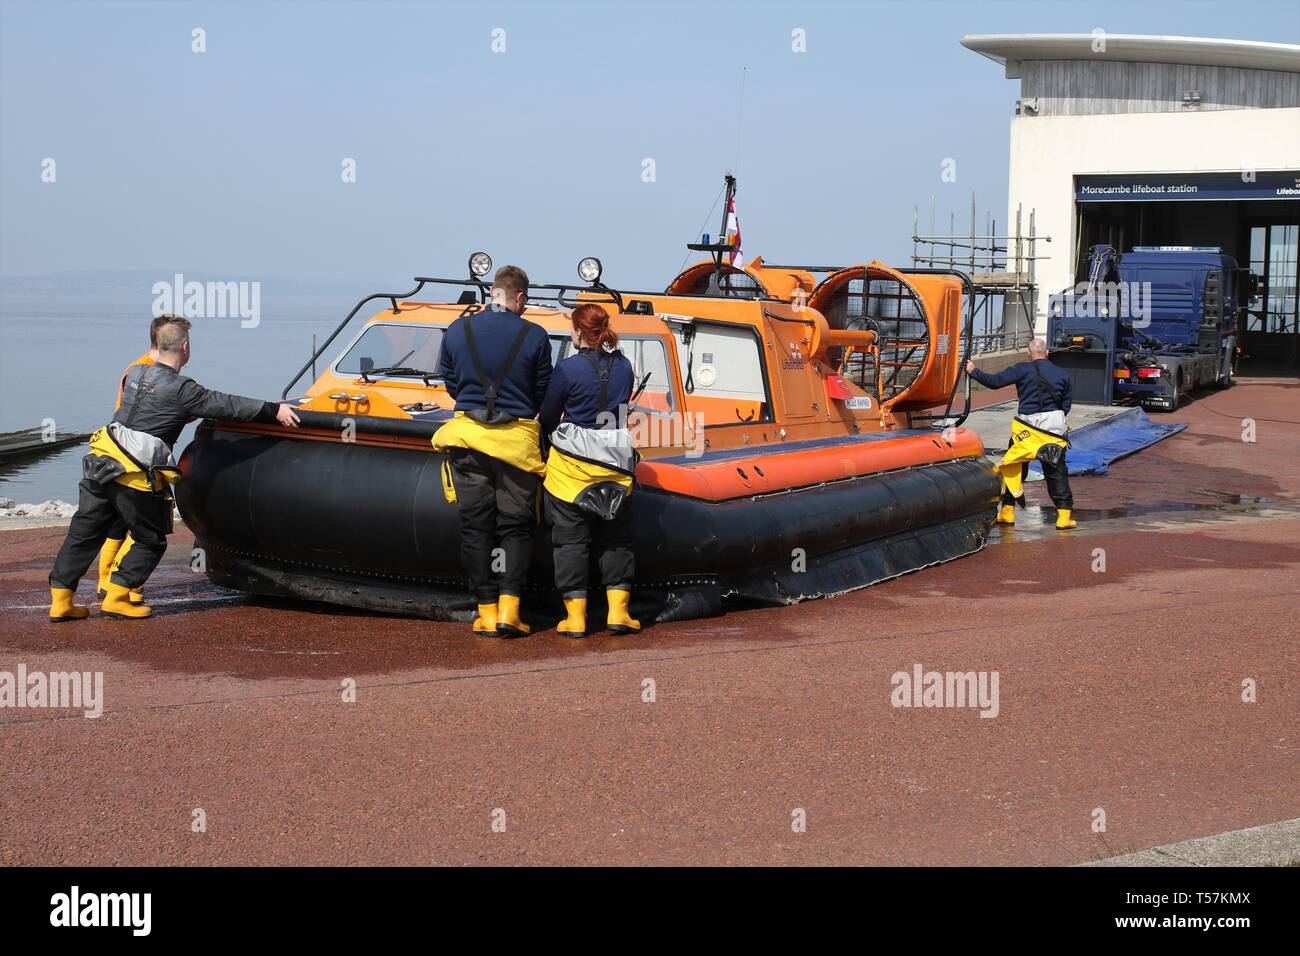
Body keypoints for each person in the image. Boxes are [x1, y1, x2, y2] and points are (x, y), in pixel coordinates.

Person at [48, 315, 301, 622]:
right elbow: (226, 404)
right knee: (150, 540)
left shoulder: (136, 372)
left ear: (154, 345)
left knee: (84, 533)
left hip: (99, 465)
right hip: (133, 476)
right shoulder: (184, 390)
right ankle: (117, 596)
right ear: (185, 347)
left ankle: (61, 601)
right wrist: (273, 410)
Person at [432, 266, 553, 637]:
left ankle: (484, 610)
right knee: (515, 527)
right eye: (526, 302)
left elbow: (450, 382)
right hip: (515, 444)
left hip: (467, 440)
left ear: (492, 293)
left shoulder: (457, 330)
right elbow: (542, 391)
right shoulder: (535, 336)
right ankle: (510, 611)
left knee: (475, 528)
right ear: (519, 297)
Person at [538, 303, 640, 638]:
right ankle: (618, 614)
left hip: (571, 469)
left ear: (579, 331)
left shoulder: (567, 369)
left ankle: (576, 617)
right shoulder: (625, 366)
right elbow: (621, 413)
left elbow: (550, 417)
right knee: (616, 539)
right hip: (614, 465)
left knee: (570, 541)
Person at [965, 338, 1077, 530]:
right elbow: (1066, 404)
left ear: (1028, 353)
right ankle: (1064, 517)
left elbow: (995, 382)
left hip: (1025, 431)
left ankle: (1007, 512)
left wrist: (973, 371)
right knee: (1056, 473)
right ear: (1047, 353)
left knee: (1014, 467)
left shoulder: (1022, 369)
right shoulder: (1061, 374)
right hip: (1052, 431)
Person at [96, 320, 165, 605]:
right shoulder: (144, 371)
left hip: (121, 450)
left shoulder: (138, 368)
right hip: (134, 455)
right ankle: (119, 583)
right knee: (138, 524)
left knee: (118, 521)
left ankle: (105, 581)